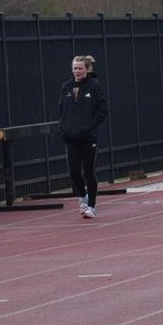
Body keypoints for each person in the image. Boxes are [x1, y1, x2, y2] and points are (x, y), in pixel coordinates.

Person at [57, 55, 109, 219]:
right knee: (73, 171)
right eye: (74, 68)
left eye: (80, 68)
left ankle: (91, 206)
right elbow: (61, 109)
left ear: (87, 69)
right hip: (71, 136)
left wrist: (89, 125)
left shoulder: (95, 86)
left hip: (88, 137)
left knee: (88, 171)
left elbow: (102, 110)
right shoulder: (66, 87)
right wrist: (63, 127)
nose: (77, 71)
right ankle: (83, 196)